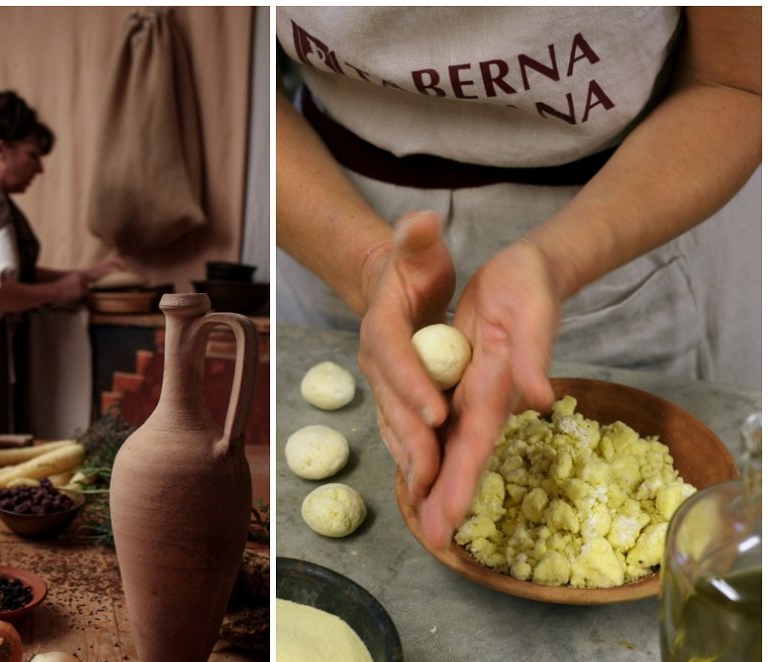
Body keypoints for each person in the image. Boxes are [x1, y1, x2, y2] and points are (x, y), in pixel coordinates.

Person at [275, 7, 761, 550]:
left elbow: (736, 81)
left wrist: (556, 261)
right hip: (325, 209)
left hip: (628, 214)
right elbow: (234, 91)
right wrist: (365, 263)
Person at [0, 90, 127, 436]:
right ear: (1, 150)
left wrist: (80, 275)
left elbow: (7, 272)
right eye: (33, 155)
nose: (40, 169)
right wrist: (60, 290)